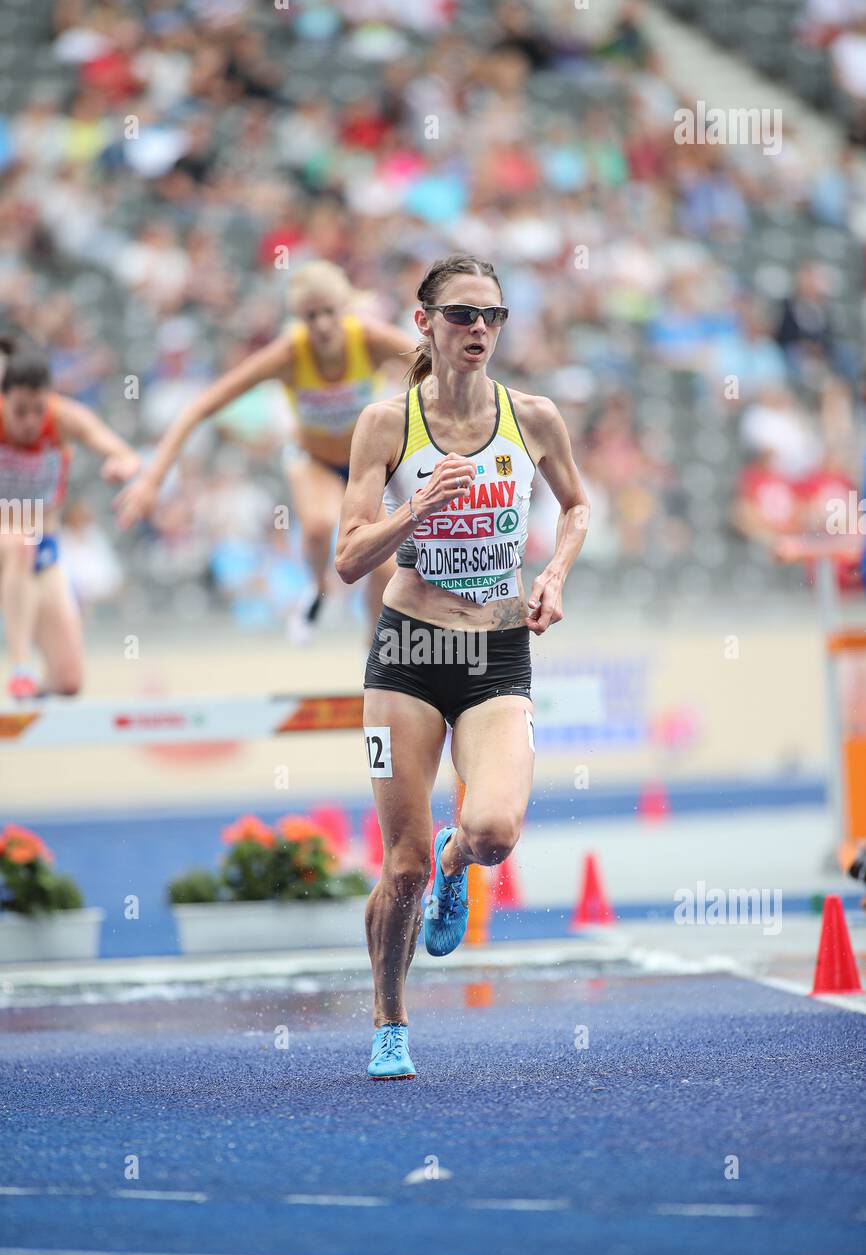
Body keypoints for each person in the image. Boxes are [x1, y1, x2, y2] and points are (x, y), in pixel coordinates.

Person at [335, 253, 591, 1079]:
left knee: (492, 833)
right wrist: (418, 508)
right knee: (398, 867)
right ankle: (390, 1020)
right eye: (461, 316)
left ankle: (457, 860)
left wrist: (552, 573)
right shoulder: (386, 424)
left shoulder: (534, 417)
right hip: (408, 649)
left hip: (497, 644)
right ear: (425, 323)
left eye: (492, 317)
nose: (478, 330)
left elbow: (579, 504)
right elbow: (346, 558)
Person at [115, 261, 416, 639]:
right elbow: (200, 407)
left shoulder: (369, 339)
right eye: (310, 316)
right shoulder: (289, 353)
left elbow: (444, 365)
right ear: (297, 319)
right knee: (320, 526)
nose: (322, 325)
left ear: (346, 310)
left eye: (329, 313)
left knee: (385, 570)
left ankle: (376, 653)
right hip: (314, 460)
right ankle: (317, 590)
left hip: (364, 464)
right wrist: (152, 479)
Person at [0, 336, 140, 699]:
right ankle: (20, 664)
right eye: (20, 411)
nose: (30, 422)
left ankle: (27, 706)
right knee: (19, 543)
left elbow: (121, 450)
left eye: (38, 410)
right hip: (6, 539)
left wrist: (122, 464)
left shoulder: (64, 418)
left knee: (69, 680)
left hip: (43, 550)